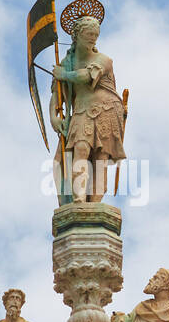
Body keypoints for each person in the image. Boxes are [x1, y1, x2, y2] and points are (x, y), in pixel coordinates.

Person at [50, 15, 126, 202]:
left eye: (96, 35)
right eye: (89, 34)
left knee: (100, 159)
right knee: (81, 149)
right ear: (77, 36)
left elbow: (88, 76)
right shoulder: (66, 64)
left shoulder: (104, 60)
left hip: (106, 110)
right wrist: (53, 117)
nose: (93, 38)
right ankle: (79, 199)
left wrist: (65, 75)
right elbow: (56, 94)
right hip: (81, 110)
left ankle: (94, 203)